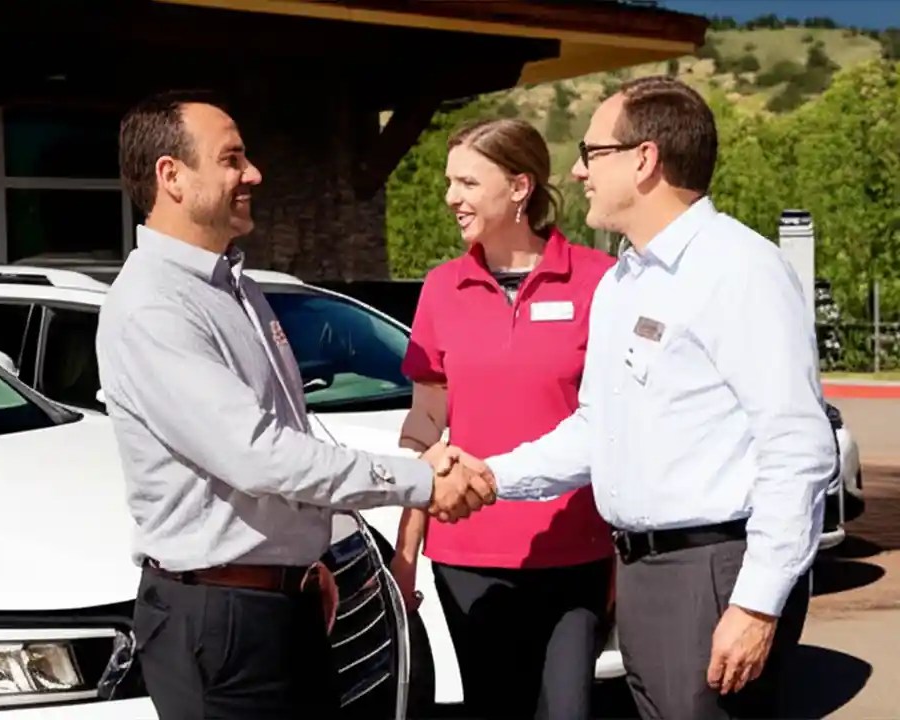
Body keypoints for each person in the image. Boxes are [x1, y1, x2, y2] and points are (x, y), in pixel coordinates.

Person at [95, 89, 494, 720]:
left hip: (281, 602)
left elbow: (291, 431)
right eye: (231, 158)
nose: (252, 173)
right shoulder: (152, 306)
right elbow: (258, 456)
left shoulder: (238, 288)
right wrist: (419, 480)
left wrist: (305, 555)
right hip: (222, 622)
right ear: (170, 176)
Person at [465, 76, 838, 719]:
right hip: (642, 573)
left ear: (644, 159)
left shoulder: (737, 268)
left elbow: (797, 447)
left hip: (714, 572)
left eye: (592, 151)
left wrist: (755, 603)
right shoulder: (625, 281)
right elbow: (596, 429)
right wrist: (490, 476)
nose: (578, 171)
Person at [388, 117, 617, 720]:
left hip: (575, 553)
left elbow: (620, 424)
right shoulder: (441, 287)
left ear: (519, 187)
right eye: (449, 182)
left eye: (467, 181)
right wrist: (407, 547)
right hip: (468, 556)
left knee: (567, 710)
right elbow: (424, 427)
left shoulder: (600, 281)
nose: (450, 197)